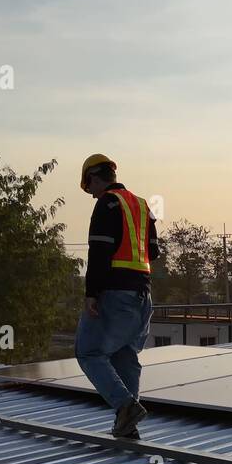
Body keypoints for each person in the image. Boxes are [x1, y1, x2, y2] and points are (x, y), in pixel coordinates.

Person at [75, 153, 158, 438]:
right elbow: (154, 252)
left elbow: (99, 253)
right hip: (143, 296)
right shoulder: (143, 206)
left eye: (90, 188)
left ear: (94, 179)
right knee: (125, 354)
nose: (92, 194)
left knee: (88, 351)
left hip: (115, 293)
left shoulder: (107, 203)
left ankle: (125, 406)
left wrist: (91, 294)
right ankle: (127, 423)